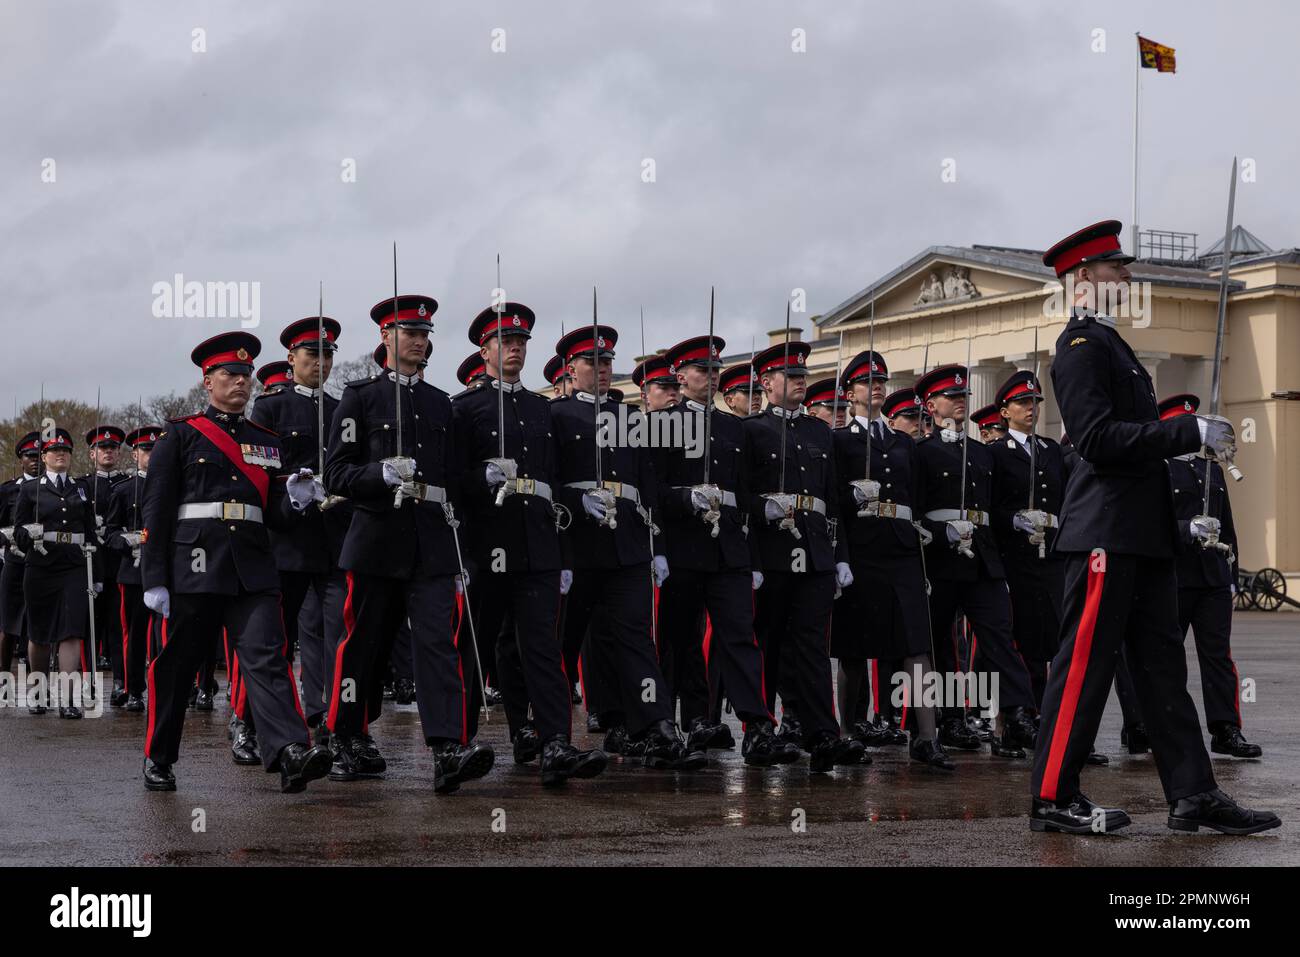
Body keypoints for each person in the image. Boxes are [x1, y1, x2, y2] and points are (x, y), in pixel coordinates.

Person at [1029, 219, 1278, 835]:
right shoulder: (1081, 348)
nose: (1127, 276)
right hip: (1104, 535)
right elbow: (1094, 439)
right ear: (1083, 277)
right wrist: (1183, 433)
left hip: (1142, 536)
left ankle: (1193, 792)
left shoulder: (1115, 348)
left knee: (1163, 669)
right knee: (1083, 664)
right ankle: (1052, 794)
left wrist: (1182, 441)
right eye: (1117, 268)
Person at [140, 331, 332, 793]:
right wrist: (155, 577)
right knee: (178, 666)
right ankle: (159, 756)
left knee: (268, 658)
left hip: (252, 566)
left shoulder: (265, 440)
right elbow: (157, 509)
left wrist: (297, 498)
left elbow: (273, 514)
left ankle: (288, 751)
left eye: (246, 375)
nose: (241, 382)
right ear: (208, 381)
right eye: (230, 374)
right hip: (195, 566)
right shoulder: (181, 436)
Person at [324, 294, 496, 794]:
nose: (420, 341)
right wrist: (377, 474)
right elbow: (337, 473)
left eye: (425, 334)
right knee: (363, 645)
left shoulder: (443, 403)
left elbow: (454, 477)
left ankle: (447, 746)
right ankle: (348, 735)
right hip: (378, 536)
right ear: (386, 336)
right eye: (410, 332)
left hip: (432, 539)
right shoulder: (360, 398)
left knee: (438, 643)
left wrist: (482, 478)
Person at [451, 301, 608, 785]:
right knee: (474, 644)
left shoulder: (543, 409)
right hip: (488, 542)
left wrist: (572, 526)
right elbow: (453, 479)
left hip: (538, 540)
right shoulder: (465, 408)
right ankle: (456, 744)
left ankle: (555, 742)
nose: (515, 348)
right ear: (486, 348)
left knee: (542, 646)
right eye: (505, 341)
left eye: (521, 342)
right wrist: (480, 478)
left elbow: (555, 480)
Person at [551, 323, 705, 769]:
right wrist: (576, 503)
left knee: (636, 639)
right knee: (567, 641)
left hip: (628, 542)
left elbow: (647, 484)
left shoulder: (631, 419)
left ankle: (655, 724)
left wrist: (655, 544)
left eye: (607, 363)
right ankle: (554, 733)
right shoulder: (555, 417)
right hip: (577, 542)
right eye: (592, 362)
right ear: (571, 368)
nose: (602, 369)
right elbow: (547, 479)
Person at [650, 334, 798, 765]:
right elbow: (653, 490)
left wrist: (760, 524)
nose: (711, 377)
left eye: (716, 370)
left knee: (739, 636)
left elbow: (746, 491)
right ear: (681, 376)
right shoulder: (661, 423)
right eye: (703, 370)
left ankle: (756, 726)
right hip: (683, 545)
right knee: (680, 639)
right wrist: (684, 500)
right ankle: (688, 720)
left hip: (730, 547)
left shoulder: (737, 427)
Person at [744, 339, 866, 772]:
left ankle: (823, 734)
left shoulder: (818, 432)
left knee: (813, 645)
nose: (800, 382)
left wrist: (841, 556)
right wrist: (755, 553)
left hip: (814, 550)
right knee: (768, 642)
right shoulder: (752, 430)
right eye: (790, 376)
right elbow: (743, 499)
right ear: (767, 382)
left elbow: (831, 500)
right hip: (773, 549)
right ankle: (763, 728)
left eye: (802, 375)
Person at [833, 350, 952, 770]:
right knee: (853, 645)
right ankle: (848, 732)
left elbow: (916, 499)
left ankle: (926, 736)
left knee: (916, 644)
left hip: (901, 547)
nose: (877, 386)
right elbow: (833, 502)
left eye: (881, 380)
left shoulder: (904, 443)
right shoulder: (839, 440)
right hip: (861, 547)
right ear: (850, 393)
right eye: (867, 382)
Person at [914, 363, 1038, 758]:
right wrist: (936, 534)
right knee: (941, 643)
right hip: (939, 557)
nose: (959, 403)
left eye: (963, 397)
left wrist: (1013, 522)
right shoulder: (921, 453)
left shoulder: (984, 454)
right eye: (951, 397)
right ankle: (950, 718)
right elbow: (914, 511)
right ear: (931, 405)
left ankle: (1019, 713)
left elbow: (997, 508)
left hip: (982, 556)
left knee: (999, 634)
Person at [248, 316, 351, 758]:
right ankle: (249, 724)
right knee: (274, 638)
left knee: (336, 632)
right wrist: (292, 487)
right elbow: (258, 470)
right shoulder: (270, 407)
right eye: (313, 354)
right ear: (292, 358)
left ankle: (327, 717)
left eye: (328, 355)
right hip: (287, 537)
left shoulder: (341, 406)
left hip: (332, 538)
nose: (322, 362)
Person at [1159, 393, 1261, 759]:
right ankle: (1164, 728)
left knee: (1218, 655)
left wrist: (1232, 573)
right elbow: (1153, 524)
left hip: (1213, 576)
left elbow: (1229, 525)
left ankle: (1226, 729)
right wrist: (1187, 528)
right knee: (1167, 657)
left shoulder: (1212, 469)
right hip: (1174, 575)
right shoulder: (1159, 469)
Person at [14, 428, 102, 717]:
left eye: (65, 451)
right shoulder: (30, 489)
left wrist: (96, 574)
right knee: (39, 633)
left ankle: (68, 699)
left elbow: (90, 533)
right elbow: (18, 530)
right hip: (41, 565)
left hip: (74, 565)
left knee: (71, 630)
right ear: (44, 456)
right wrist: (30, 535)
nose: (60, 455)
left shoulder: (81, 488)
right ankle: (38, 692)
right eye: (54, 451)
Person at [105, 425, 163, 713]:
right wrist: (127, 541)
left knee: (166, 633)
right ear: (135, 454)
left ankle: (168, 686)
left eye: (155, 450)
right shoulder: (125, 490)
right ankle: (134, 690)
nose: (150, 455)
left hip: (165, 569)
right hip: (134, 570)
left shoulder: (172, 485)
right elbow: (111, 533)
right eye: (145, 450)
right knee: (135, 634)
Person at [79, 425, 129, 699]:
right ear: (92, 453)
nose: (107, 452)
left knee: (117, 626)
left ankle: (121, 682)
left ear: (119, 453)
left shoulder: (126, 485)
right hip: (90, 563)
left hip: (118, 563)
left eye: (112, 448)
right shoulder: (82, 485)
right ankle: (89, 682)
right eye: (102, 448)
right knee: (89, 626)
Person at [0, 431, 41, 675]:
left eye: (39, 455)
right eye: (30, 456)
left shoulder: (54, 489)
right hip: (15, 561)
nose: (35, 460)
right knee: (8, 625)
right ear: (21, 459)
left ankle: (40, 679)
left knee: (40, 625)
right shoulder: (7, 492)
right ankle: (4, 675)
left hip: (45, 562)